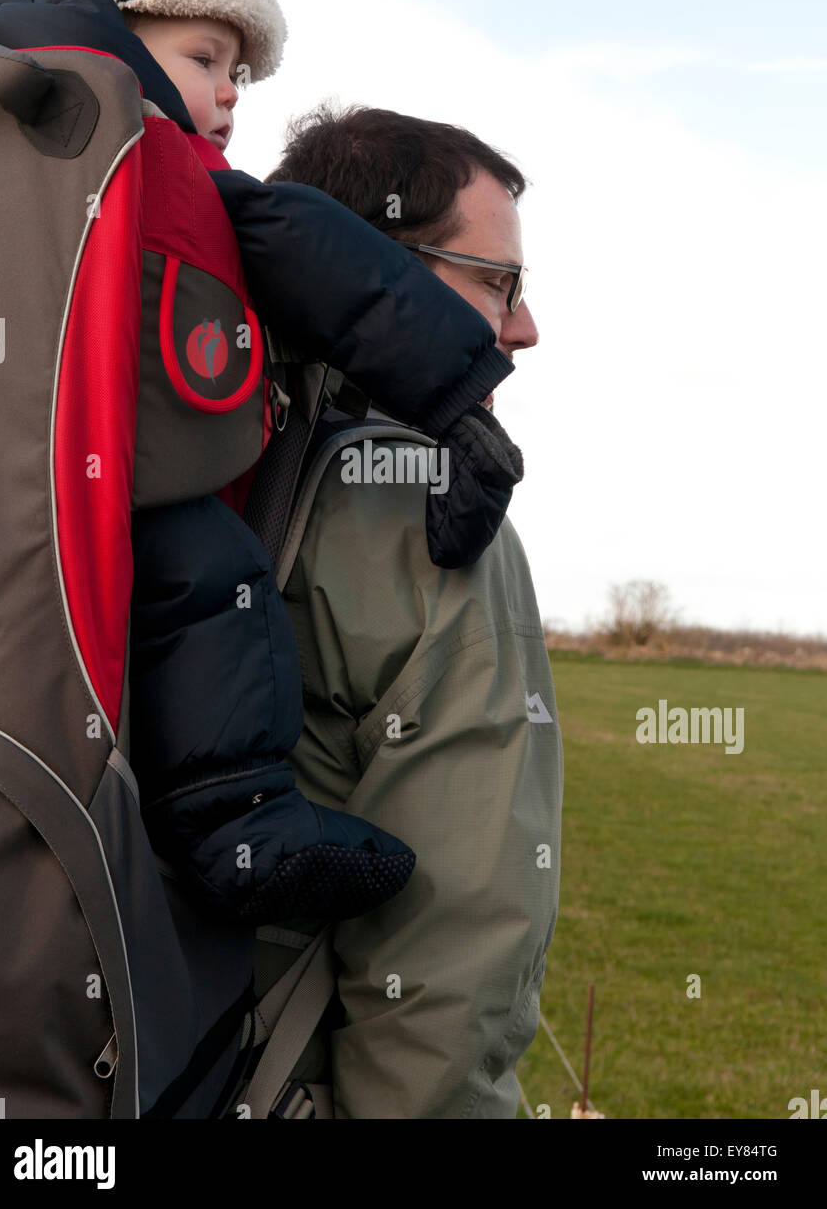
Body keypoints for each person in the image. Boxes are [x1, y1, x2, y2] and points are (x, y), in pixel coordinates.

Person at [0, 0, 520, 928]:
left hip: (46, 502)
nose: (228, 95)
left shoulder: (162, 179)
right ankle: (238, 821)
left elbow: (338, 277)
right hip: (124, 493)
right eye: (204, 57)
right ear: (111, 29)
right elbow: (340, 269)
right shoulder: (166, 168)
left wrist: (456, 402)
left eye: (238, 71)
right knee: (216, 583)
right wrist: (462, 396)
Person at [252, 105, 565, 1119]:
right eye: (495, 282)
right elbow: (450, 960)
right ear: (380, 272)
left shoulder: (188, 445)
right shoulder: (430, 515)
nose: (522, 327)